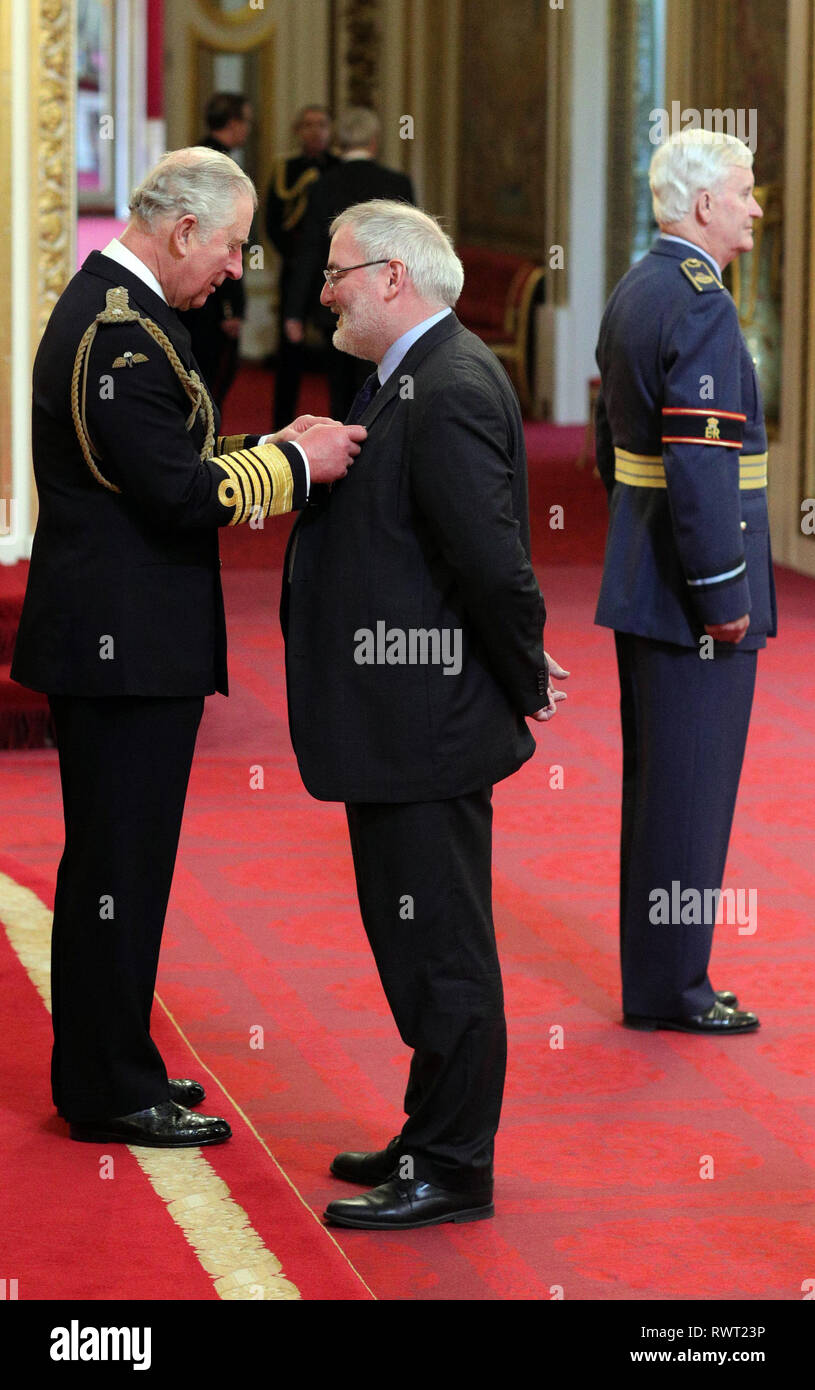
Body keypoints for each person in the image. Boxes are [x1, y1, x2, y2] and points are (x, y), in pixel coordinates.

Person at [11, 146, 365, 1147]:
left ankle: (117, 1059)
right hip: (117, 650)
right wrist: (295, 462)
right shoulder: (119, 332)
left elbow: (169, 458)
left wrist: (265, 448)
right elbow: (178, 492)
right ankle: (107, 1085)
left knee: (124, 864)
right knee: (118, 868)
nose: (236, 267)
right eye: (232, 246)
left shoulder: (129, 314)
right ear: (180, 232)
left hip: (124, 641)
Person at [282, 200, 568, 1229]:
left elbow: (490, 561)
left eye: (336, 273)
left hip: (426, 723)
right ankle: (430, 1127)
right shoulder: (412, 369)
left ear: (392, 276)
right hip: (396, 716)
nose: (323, 292)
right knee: (415, 944)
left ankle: (454, 1164)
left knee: (441, 950)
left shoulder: (443, 383)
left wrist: (524, 668)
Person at [594, 128, 776, 1034]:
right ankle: (674, 990)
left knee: (660, 789)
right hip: (690, 589)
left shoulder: (639, 285)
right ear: (703, 203)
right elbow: (701, 467)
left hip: (644, 573)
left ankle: (662, 977)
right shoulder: (698, 302)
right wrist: (724, 594)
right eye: (744, 191)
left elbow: (610, 441)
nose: (753, 206)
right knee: (690, 794)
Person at [283, 108, 415, 418]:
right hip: (388, 303)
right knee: (385, 388)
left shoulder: (322, 185)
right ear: (374, 141)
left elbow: (310, 252)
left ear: (340, 142)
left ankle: (346, 451)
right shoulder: (398, 184)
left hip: (337, 305)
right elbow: (410, 251)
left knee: (341, 392)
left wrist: (293, 312)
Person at [265, 105, 340, 429]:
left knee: (339, 350)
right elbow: (271, 221)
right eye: (308, 124)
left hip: (336, 272)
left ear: (331, 129)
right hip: (296, 271)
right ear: (298, 130)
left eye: (321, 124)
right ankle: (281, 424)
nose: (315, 131)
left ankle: (342, 421)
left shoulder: (340, 169)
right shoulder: (286, 169)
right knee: (289, 353)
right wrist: (294, 256)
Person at [177, 93, 254, 406]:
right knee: (211, 381)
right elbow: (225, 241)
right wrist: (232, 307)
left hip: (189, 284)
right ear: (234, 123)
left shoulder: (191, 157)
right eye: (247, 121)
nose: (248, 129)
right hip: (213, 293)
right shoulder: (223, 167)